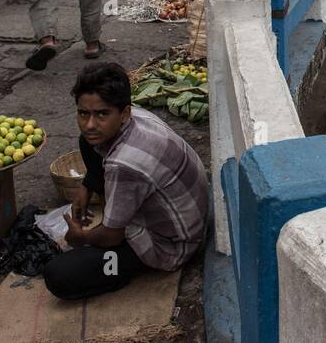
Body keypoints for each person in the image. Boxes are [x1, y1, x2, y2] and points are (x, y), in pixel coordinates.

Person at [43, 63, 210, 301]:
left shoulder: (124, 165)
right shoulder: (138, 115)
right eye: (83, 113)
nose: (90, 124)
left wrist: (82, 238)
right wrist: (87, 187)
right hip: (184, 211)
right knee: (88, 141)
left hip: (172, 245)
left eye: (102, 114)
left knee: (59, 275)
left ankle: (118, 273)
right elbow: (93, 141)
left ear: (124, 113)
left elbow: (112, 236)